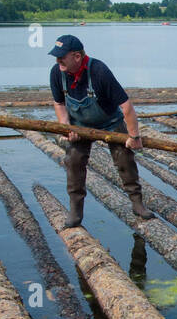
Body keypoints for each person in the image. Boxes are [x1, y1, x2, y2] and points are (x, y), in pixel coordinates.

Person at [48, 34, 152, 225]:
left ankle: (137, 204)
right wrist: (66, 127)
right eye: (56, 56)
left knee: (124, 160)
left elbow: (126, 105)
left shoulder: (99, 71)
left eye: (62, 56)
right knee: (73, 161)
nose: (58, 60)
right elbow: (59, 103)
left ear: (77, 56)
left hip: (110, 123)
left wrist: (134, 136)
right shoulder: (57, 72)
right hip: (79, 125)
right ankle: (75, 212)